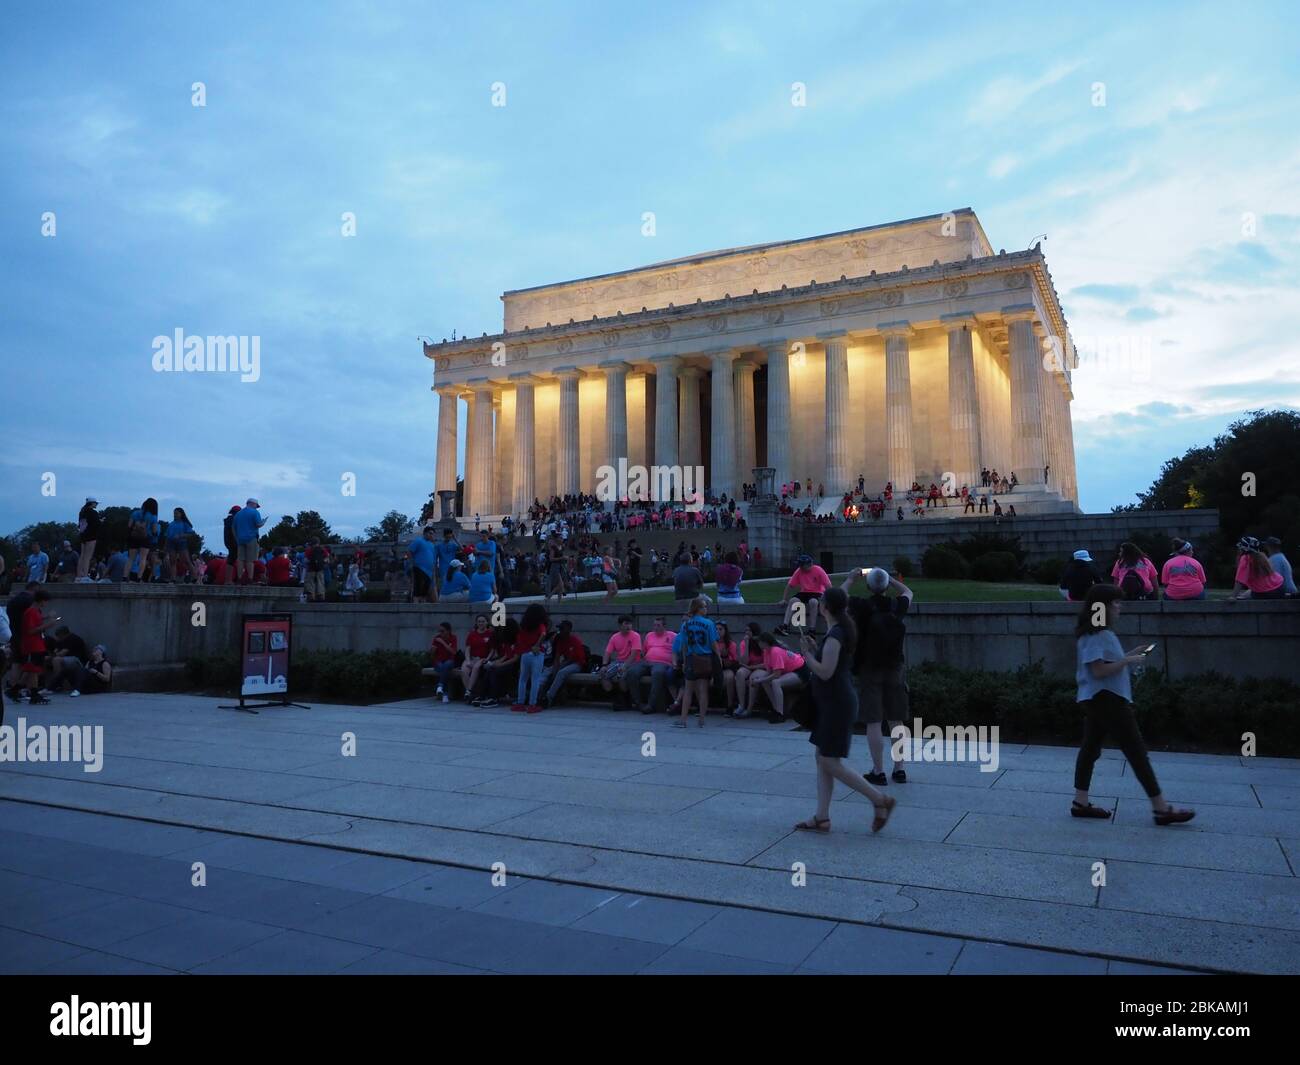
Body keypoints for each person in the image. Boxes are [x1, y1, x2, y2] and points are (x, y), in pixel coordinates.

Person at [1070, 584, 1194, 825]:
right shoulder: (1099, 634)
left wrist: (1129, 654)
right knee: (1136, 752)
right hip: (1108, 699)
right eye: (1116, 603)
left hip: (1097, 698)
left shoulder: (1093, 633)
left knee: (1090, 749)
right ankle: (1161, 808)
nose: (1119, 608)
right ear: (1102, 607)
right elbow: (1098, 670)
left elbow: (1102, 663)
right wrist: (1128, 660)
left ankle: (1080, 802)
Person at [795, 587, 896, 834]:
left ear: (825, 607)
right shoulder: (837, 631)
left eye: (820, 602)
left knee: (829, 760)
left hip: (836, 704)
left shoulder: (836, 634)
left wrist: (806, 654)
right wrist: (814, 647)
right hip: (832, 702)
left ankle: (879, 800)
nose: (818, 605)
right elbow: (832, 663)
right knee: (822, 758)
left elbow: (825, 672)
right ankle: (822, 817)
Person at [845, 566, 911, 784]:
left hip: (869, 667)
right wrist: (890, 579)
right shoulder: (896, 605)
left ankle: (878, 770)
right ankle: (899, 769)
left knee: (873, 721)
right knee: (896, 719)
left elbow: (837, 597)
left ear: (868, 586)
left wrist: (851, 578)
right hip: (895, 666)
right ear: (884, 586)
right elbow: (908, 593)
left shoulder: (862, 606)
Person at [671, 597, 718, 728]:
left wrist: (685, 661)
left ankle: (683, 719)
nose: (706, 609)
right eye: (704, 607)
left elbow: (684, 645)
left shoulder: (685, 625)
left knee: (688, 689)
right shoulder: (709, 623)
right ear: (698, 609)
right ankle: (701, 719)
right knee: (703, 690)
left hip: (692, 657)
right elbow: (714, 643)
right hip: (705, 657)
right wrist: (718, 659)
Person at [747, 631, 806, 723]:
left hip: (800, 670)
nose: (758, 644)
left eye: (759, 642)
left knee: (776, 682)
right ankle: (776, 709)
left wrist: (759, 680)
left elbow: (776, 675)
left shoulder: (775, 651)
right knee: (765, 681)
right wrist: (757, 680)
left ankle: (780, 714)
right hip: (788, 671)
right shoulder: (766, 651)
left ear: (764, 642)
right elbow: (769, 671)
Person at [626, 616, 678, 715]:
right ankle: (638, 703)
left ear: (664, 626)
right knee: (632, 672)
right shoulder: (649, 635)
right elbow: (644, 651)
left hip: (663, 663)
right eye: (654, 625)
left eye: (658, 625)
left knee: (657, 673)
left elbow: (677, 650)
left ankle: (651, 705)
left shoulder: (672, 636)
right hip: (647, 661)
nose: (655, 627)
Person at [19, 589, 61, 705]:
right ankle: (32, 693)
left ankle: (21, 690)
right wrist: (48, 624)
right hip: (33, 644)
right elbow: (31, 630)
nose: (46, 604)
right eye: (45, 601)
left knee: (32, 669)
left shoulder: (35, 612)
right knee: (33, 670)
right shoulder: (31, 612)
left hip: (36, 644)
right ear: (41, 601)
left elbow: (36, 622)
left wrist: (46, 617)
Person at [776, 554, 831, 635]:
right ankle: (785, 626)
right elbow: (790, 585)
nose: (800, 567)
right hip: (804, 592)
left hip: (817, 592)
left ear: (809, 564)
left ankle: (812, 629)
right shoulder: (799, 571)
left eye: (802, 565)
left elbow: (828, 585)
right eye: (800, 565)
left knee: (813, 602)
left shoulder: (818, 570)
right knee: (793, 600)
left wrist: (829, 600)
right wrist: (784, 599)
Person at [511, 605, 551, 713]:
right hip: (537, 654)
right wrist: (537, 645)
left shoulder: (524, 626)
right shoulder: (540, 624)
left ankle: (520, 702)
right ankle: (532, 704)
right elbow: (543, 633)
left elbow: (520, 639)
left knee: (523, 679)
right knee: (535, 679)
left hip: (525, 654)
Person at [540, 620, 587, 708]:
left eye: (562, 629)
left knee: (562, 672)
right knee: (549, 669)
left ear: (568, 629)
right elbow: (557, 657)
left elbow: (574, 659)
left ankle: (548, 697)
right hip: (566, 662)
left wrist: (559, 667)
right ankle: (538, 691)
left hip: (577, 664)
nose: (560, 631)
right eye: (559, 629)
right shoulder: (561, 640)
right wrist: (555, 668)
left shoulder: (575, 640)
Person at [598, 616, 642, 707]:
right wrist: (604, 665)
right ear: (620, 625)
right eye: (626, 624)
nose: (628, 626)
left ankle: (626, 700)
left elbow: (634, 654)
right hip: (619, 661)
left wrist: (625, 666)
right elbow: (607, 652)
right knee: (603, 674)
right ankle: (615, 698)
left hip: (633, 663)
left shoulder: (635, 636)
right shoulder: (615, 637)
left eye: (630, 624)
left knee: (621, 676)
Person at [477, 619, 520, 708]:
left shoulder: (518, 639)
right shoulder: (508, 639)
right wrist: (495, 663)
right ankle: (483, 696)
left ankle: (493, 698)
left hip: (516, 664)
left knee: (495, 671)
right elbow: (506, 655)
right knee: (489, 669)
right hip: (507, 661)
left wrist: (499, 665)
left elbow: (515, 658)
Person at [733, 621, 765, 719]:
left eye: (749, 630)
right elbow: (744, 662)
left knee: (753, 678)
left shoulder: (762, 643)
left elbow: (767, 663)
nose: (747, 633)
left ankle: (749, 709)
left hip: (761, 667)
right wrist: (746, 644)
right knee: (740, 673)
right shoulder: (744, 643)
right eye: (746, 630)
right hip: (748, 666)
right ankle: (741, 705)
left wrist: (752, 668)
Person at [232, 498, 267, 583]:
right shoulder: (255, 512)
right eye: (256, 506)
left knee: (240, 559)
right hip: (251, 538)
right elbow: (258, 524)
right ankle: (250, 579)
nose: (256, 508)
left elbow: (233, 528)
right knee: (250, 560)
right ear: (253, 504)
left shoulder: (238, 514)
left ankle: (239, 578)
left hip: (240, 539)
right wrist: (263, 522)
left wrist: (237, 538)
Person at [46, 625, 89, 693]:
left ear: (64, 634)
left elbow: (62, 653)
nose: (58, 638)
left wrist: (51, 657)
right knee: (46, 660)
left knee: (56, 660)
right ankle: (40, 683)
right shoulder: (60, 640)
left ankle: (57, 684)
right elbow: (56, 651)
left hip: (78, 660)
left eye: (59, 636)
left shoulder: (72, 638)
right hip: (67, 659)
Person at [460, 614, 493, 703]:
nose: (481, 623)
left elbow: (492, 649)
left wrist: (487, 658)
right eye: (479, 621)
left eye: (483, 621)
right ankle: (470, 694)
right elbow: (467, 648)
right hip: (471, 657)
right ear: (476, 623)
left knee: (476, 667)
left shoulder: (490, 634)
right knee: (464, 670)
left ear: (487, 622)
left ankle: (469, 692)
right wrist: (467, 660)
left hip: (482, 658)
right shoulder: (472, 634)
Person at [714, 621, 741, 714]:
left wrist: (725, 656)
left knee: (729, 678)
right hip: (712, 668)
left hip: (726, 668)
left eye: (720, 629)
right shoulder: (711, 643)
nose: (717, 631)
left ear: (725, 631)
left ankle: (730, 705)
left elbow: (735, 661)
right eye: (716, 629)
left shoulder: (730, 644)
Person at [408, 526, 438, 604]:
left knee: (425, 589)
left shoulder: (432, 545)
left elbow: (433, 558)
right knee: (418, 588)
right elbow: (410, 551)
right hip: (419, 568)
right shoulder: (418, 541)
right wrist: (412, 563)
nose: (431, 535)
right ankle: (415, 604)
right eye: (430, 533)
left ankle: (422, 604)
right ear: (425, 533)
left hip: (429, 571)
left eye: (433, 534)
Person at [165, 507, 197, 582]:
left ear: (181, 514)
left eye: (176, 513)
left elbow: (191, 534)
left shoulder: (184, 523)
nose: (175, 515)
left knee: (187, 560)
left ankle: (194, 577)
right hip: (171, 543)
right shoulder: (171, 524)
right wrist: (165, 546)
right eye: (174, 513)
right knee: (172, 561)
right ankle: (173, 578)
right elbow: (167, 536)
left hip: (182, 542)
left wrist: (180, 535)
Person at [429, 622, 458, 703]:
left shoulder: (453, 638)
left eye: (442, 631)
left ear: (448, 631)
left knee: (447, 664)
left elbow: (453, 652)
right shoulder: (436, 638)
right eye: (439, 631)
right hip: (438, 661)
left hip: (450, 661)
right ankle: (444, 692)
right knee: (443, 668)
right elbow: (432, 655)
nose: (440, 633)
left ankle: (440, 687)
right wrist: (432, 649)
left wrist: (442, 642)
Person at [76, 497, 102, 580]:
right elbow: (97, 524)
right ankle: (84, 575)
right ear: (92, 503)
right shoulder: (93, 512)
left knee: (82, 555)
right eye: (96, 503)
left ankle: (79, 575)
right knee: (88, 557)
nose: (96, 504)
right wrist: (101, 521)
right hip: (91, 536)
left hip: (83, 535)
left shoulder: (82, 512)